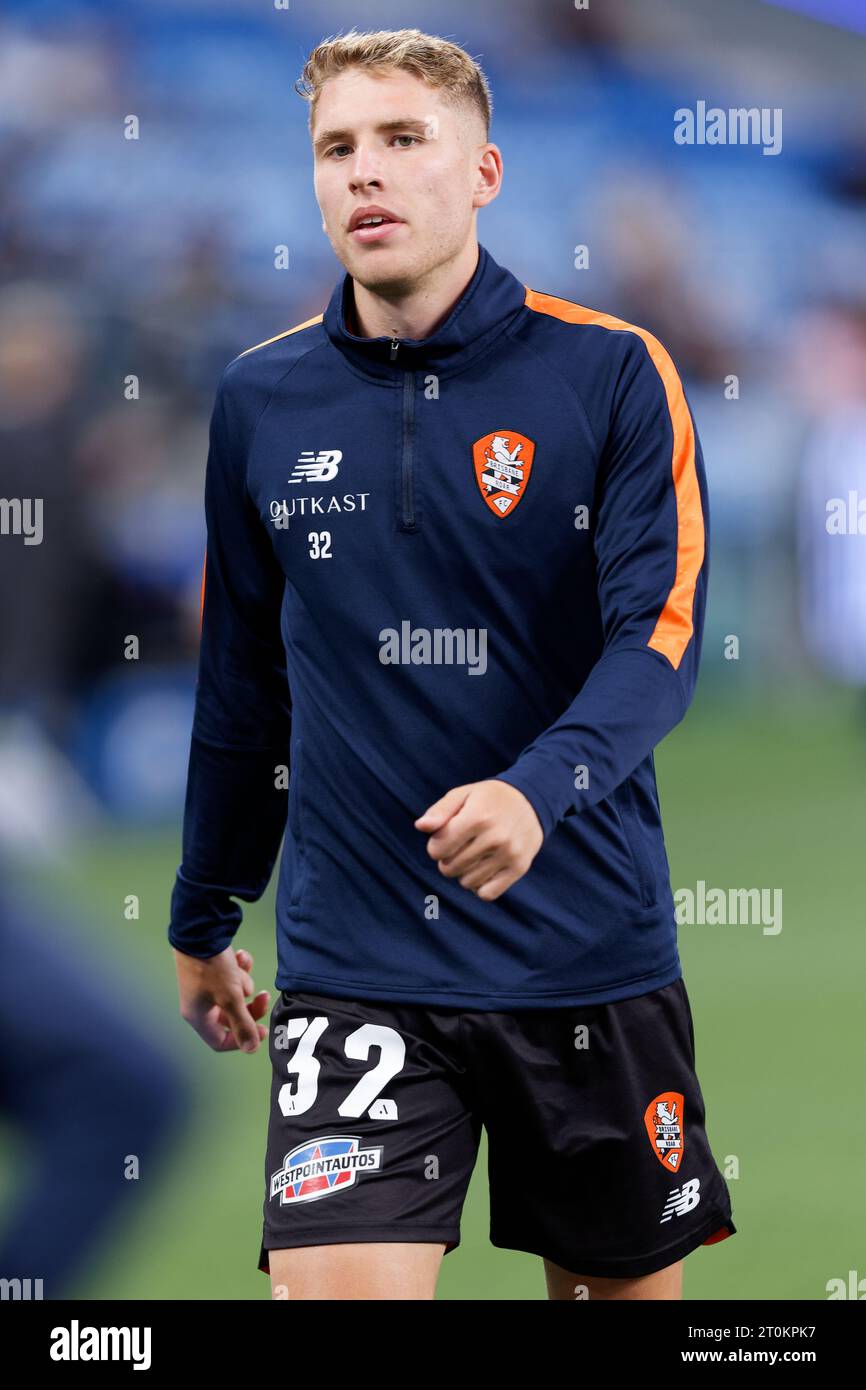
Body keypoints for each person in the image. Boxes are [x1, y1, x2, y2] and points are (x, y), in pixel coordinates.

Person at [168, 26, 736, 1301]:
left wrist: (538, 789)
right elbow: (242, 686)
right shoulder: (262, 399)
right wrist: (204, 913)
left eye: (400, 140)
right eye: (335, 148)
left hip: (582, 959)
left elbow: (660, 638)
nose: (363, 173)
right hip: (354, 967)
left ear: (482, 170)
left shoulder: (609, 371)